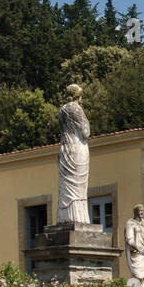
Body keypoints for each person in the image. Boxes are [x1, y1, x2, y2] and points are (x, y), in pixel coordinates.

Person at [57, 85, 91, 225]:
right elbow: (85, 132)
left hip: (65, 147)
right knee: (78, 188)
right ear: (79, 96)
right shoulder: (76, 109)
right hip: (77, 148)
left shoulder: (62, 110)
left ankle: (65, 216)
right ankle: (78, 217)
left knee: (66, 186)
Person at [124, 204, 144, 287]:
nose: (142, 212)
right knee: (137, 275)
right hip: (136, 254)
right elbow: (129, 240)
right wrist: (137, 248)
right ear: (135, 212)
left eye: (143, 211)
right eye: (140, 210)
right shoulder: (130, 223)